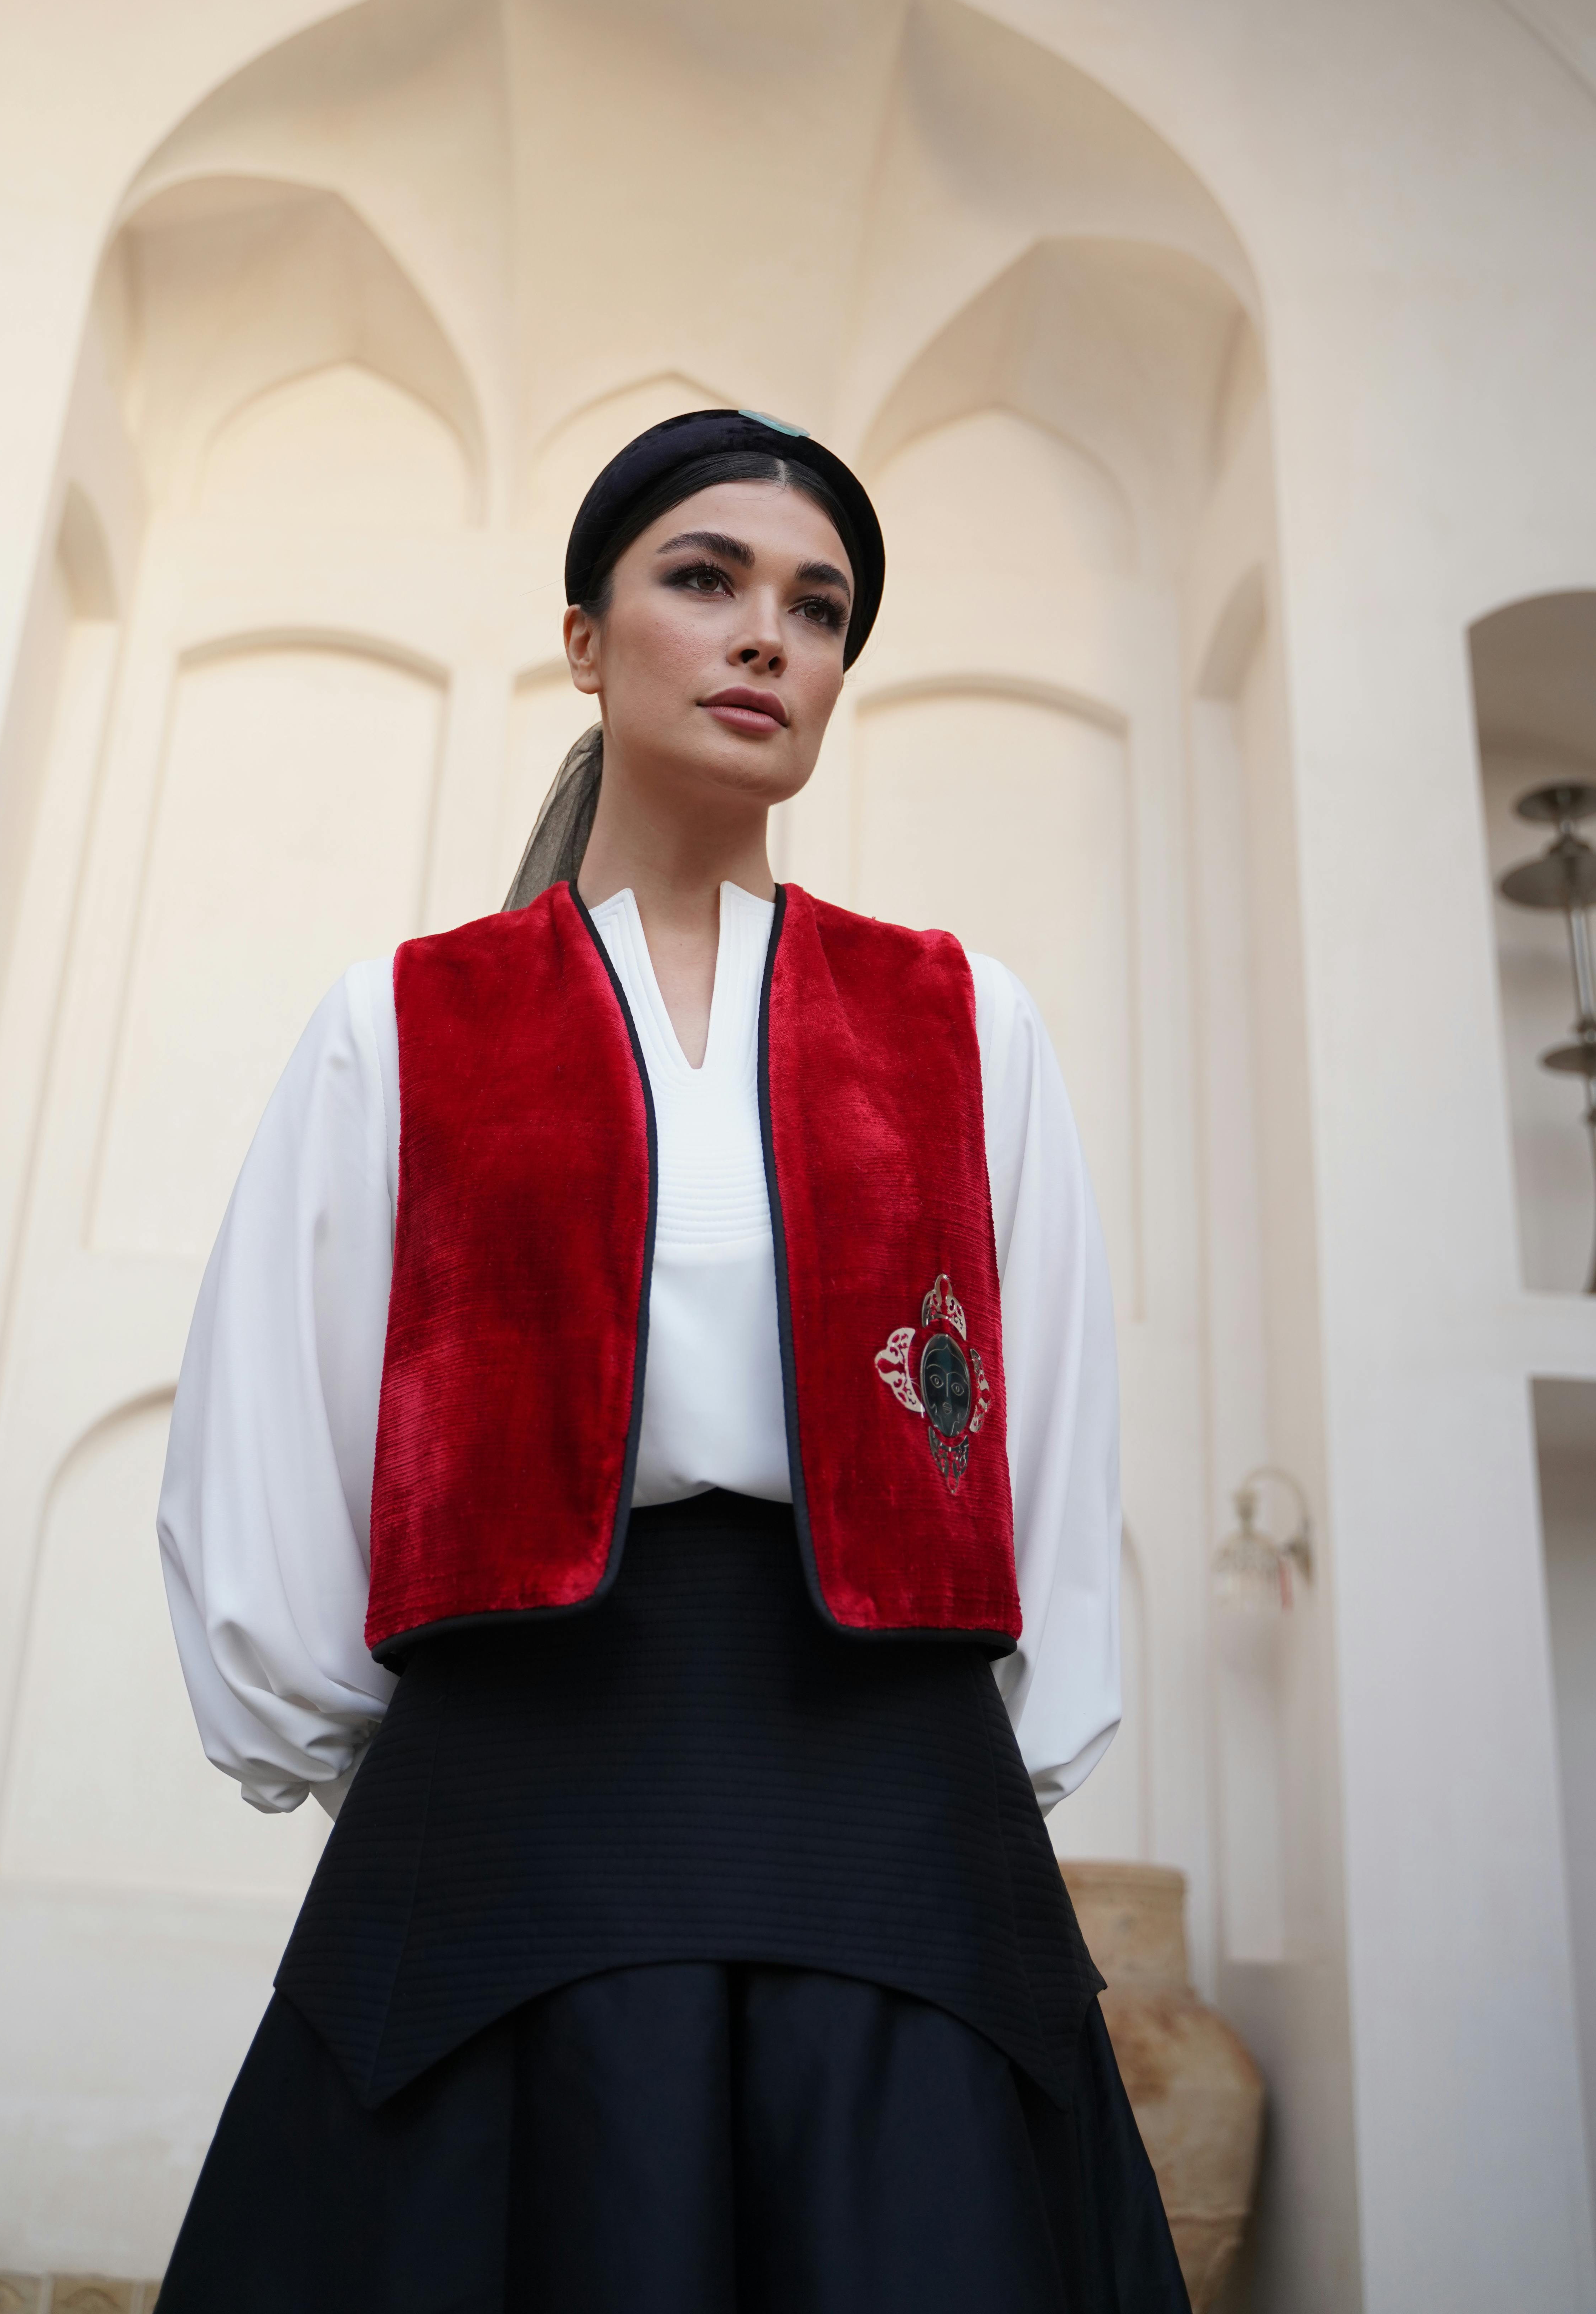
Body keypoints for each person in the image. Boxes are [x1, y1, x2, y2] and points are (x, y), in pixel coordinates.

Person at [156, 409, 1188, 2312]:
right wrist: (412, 1788)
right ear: (581, 637)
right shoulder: (404, 1022)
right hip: (507, 1807)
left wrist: (981, 1780)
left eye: (816, 605)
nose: (763, 637)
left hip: (900, 1816)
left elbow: (1041, 1426)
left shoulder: (967, 1023)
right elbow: (278, 1436)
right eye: (703, 580)